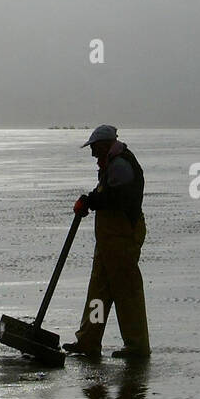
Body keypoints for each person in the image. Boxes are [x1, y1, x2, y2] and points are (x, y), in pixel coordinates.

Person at [64, 125, 150, 359]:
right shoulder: (112, 163)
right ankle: (88, 341)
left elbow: (113, 197)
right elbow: (104, 192)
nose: (92, 154)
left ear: (104, 145)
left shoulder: (121, 165)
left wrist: (90, 201)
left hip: (122, 238)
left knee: (127, 293)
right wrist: (89, 199)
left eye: (94, 149)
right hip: (108, 241)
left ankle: (137, 346)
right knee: (99, 293)